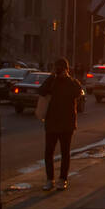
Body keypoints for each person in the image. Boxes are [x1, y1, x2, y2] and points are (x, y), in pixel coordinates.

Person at [36, 57, 84, 191]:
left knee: (65, 153)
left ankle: (63, 179)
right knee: (48, 153)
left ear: (66, 69)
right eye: (57, 68)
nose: (59, 71)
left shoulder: (71, 82)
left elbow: (78, 92)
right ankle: (49, 179)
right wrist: (52, 77)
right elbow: (41, 91)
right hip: (52, 123)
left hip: (66, 124)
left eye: (60, 68)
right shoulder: (52, 81)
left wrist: (67, 77)